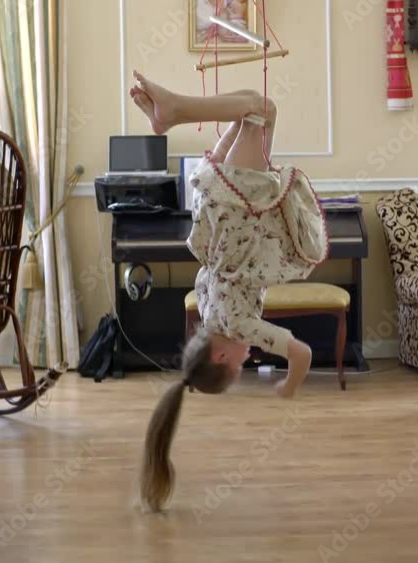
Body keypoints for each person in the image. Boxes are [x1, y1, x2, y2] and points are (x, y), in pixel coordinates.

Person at [131, 71, 328, 512]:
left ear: (221, 356)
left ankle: (174, 111)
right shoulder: (207, 313)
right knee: (252, 107)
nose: (247, 360)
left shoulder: (237, 325)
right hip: (212, 203)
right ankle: (173, 111)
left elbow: (301, 354)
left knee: (260, 108)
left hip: (236, 207)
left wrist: (289, 389)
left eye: (239, 368)